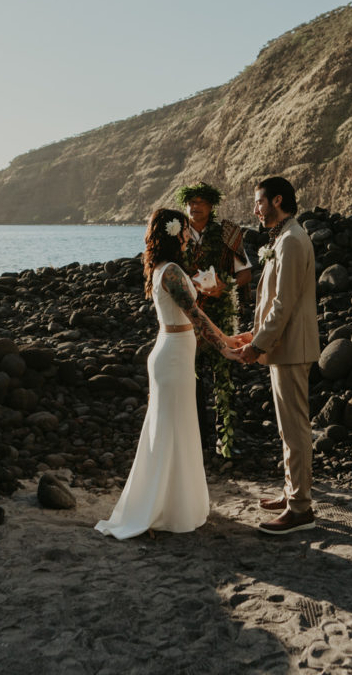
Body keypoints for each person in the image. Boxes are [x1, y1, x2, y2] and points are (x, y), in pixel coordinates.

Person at [95, 208, 241, 540]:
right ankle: (162, 509)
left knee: (177, 428)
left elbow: (192, 313)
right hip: (173, 353)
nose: (189, 236)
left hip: (174, 350)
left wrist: (228, 337)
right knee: (171, 430)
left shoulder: (167, 269)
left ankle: (173, 506)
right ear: (175, 234)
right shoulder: (172, 271)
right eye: (186, 231)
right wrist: (224, 348)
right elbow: (194, 317)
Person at [236, 177, 320, 536]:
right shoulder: (284, 238)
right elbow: (273, 300)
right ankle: (291, 493)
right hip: (282, 345)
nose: (255, 209)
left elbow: (284, 304)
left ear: (277, 201)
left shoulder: (292, 241)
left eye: (259, 202)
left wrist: (257, 347)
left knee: (295, 428)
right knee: (288, 428)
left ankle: (300, 508)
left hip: (290, 346)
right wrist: (255, 335)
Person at [176, 181, 252, 458]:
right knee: (190, 378)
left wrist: (225, 286)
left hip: (221, 315)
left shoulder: (227, 234)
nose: (195, 207)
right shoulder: (176, 234)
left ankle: (226, 441)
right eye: (191, 202)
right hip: (186, 318)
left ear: (211, 206)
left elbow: (246, 274)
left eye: (201, 202)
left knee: (224, 378)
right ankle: (197, 441)